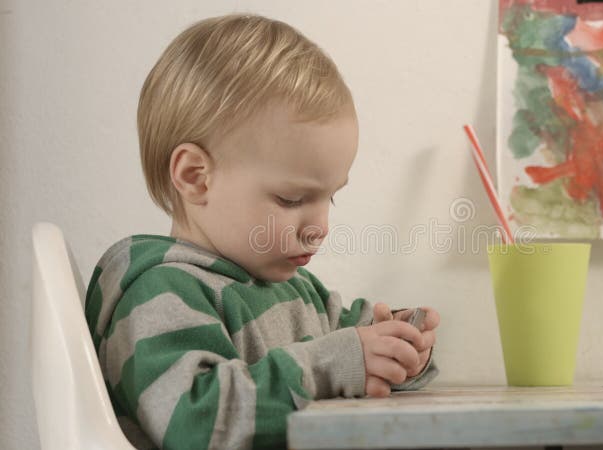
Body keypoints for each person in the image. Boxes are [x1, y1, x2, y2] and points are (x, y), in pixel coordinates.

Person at [84, 14, 439, 449]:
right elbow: (195, 426)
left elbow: (345, 348)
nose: (320, 228)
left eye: (330, 198)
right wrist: (336, 362)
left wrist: (397, 348)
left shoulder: (296, 291)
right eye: (291, 200)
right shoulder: (160, 294)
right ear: (196, 176)